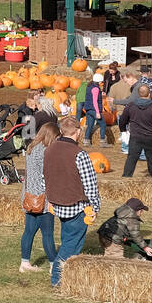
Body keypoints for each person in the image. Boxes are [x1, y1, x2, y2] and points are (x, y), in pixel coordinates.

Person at [45, 115, 100, 287]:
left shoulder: (49, 150)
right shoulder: (80, 154)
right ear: (77, 132)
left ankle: (65, 276)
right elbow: (90, 184)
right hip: (76, 207)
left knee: (67, 238)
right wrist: (95, 207)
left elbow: (44, 178)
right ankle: (57, 279)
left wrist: (50, 200)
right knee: (71, 246)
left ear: (62, 131)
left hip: (58, 205)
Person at [18, 121, 59, 273]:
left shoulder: (31, 148)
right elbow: (46, 177)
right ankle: (53, 264)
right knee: (47, 233)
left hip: (29, 196)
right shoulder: (46, 152)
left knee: (29, 231)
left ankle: (25, 263)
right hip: (43, 199)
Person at [118, 84, 152, 178]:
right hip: (151, 137)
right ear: (149, 94)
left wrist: (123, 130)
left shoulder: (130, 106)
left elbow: (122, 120)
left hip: (136, 137)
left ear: (138, 94)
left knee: (131, 158)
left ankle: (126, 177)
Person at [82, 73, 108, 147]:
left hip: (88, 109)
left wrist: (101, 94)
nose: (102, 83)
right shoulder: (96, 89)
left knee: (90, 125)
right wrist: (97, 112)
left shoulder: (89, 86)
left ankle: (86, 141)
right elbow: (94, 101)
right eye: (101, 82)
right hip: (94, 109)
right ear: (99, 82)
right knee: (103, 124)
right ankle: (103, 141)